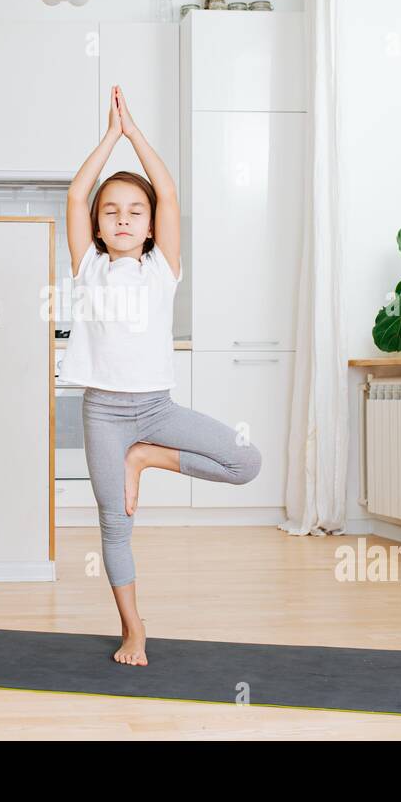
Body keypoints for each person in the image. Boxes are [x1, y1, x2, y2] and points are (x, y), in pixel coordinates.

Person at [60, 85, 262, 666]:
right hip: (102, 413)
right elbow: (76, 195)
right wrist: (108, 139)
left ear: (150, 227)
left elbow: (167, 191)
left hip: (155, 411)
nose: (123, 219)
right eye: (111, 212)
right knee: (115, 527)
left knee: (245, 462)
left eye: (135, 212)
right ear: (98, 227)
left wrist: (134, 132)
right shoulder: (88, 268)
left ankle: (145, 458)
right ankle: (133, 630)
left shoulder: (162, 271)